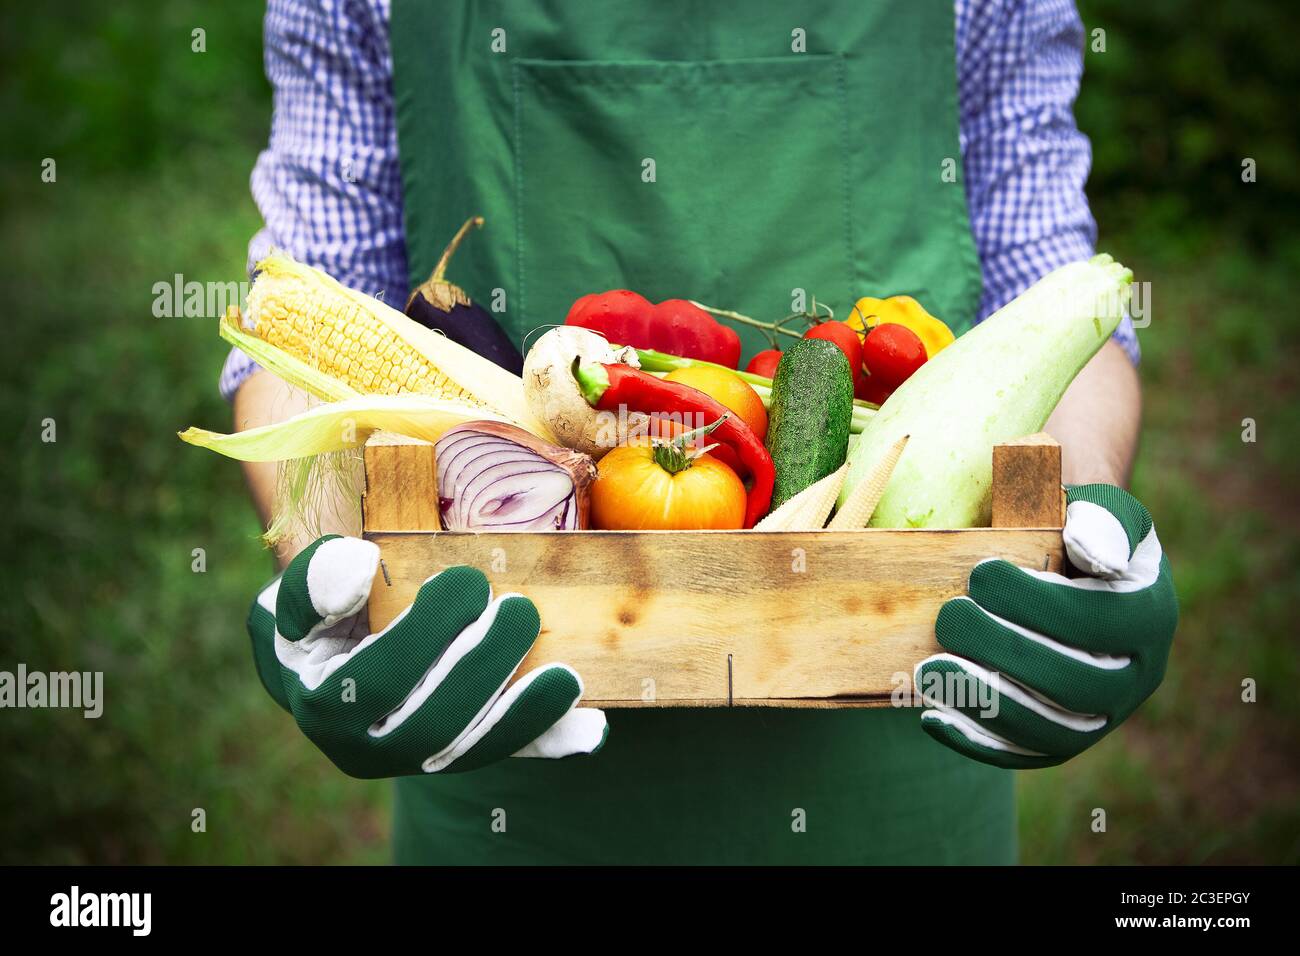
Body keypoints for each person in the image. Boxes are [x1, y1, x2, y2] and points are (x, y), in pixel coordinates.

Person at [227, 0, 1177, 863]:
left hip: (917, 714)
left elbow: (1048, 284)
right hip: (487, 713)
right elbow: (307, 296)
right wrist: (322, 558)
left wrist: (1076, 534)